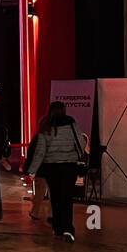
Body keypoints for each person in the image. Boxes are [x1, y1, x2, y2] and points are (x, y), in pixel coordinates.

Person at [27, 100, 86, 242]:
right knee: (67, 198)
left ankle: (58, 227)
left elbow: (40, 151)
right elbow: (81, 142)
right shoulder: (71, 123)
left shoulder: (46, 125)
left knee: (55, 198)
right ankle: (68, 229)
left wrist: (32, 170)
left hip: (52, 167)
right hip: (69, 166)